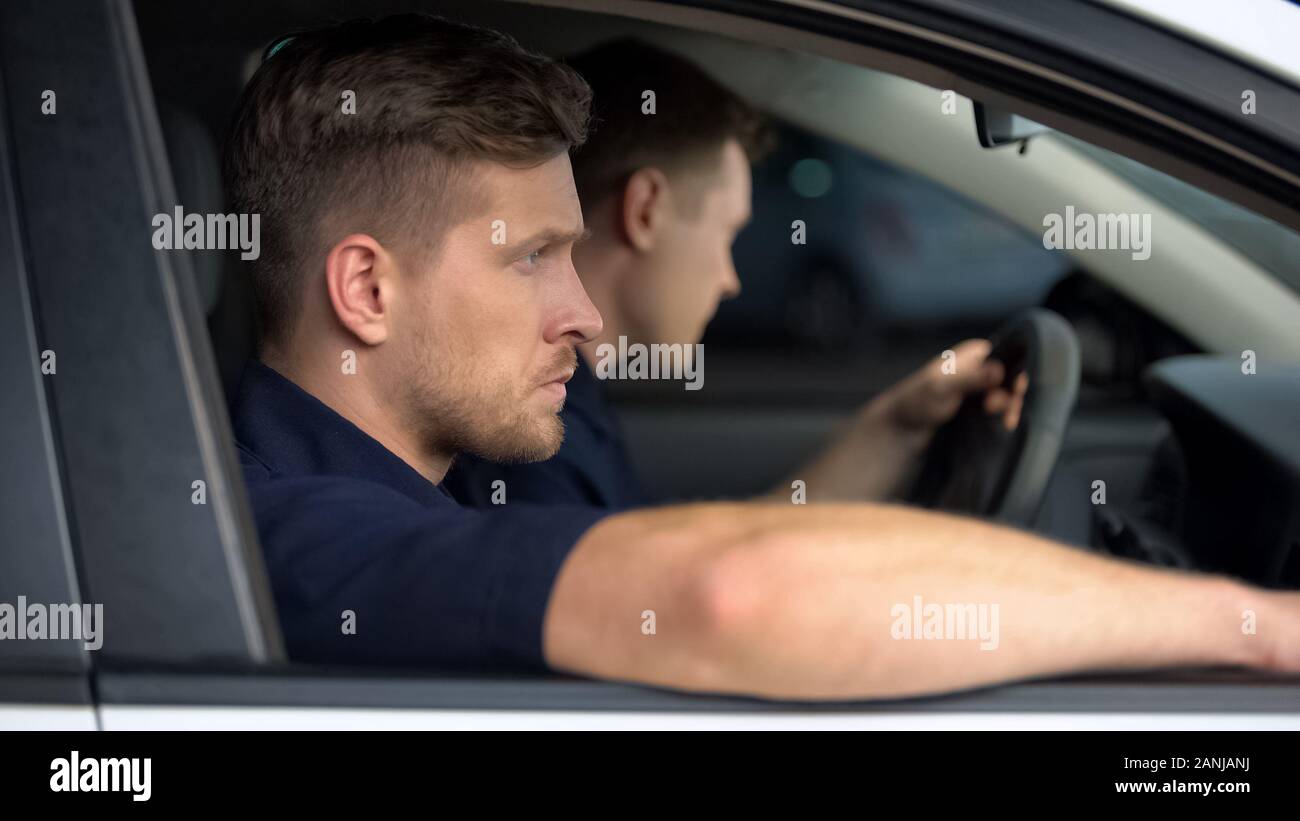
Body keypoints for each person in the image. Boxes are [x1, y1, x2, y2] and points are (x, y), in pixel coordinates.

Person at [224, 14, 1299, 699]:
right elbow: (723, 591)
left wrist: (892, 427)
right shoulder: (294, 530)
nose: (586, 313)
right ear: (366, 289)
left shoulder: (427, 479)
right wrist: (1255, 628)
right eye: (534, 259)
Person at [444, 40, 1025, 511]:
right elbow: (670, 599)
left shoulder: (570, 402)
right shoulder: (529, 438)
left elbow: (670, 577)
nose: (730, 279)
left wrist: (896, 425)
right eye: (727, 234)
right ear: (645, 210)